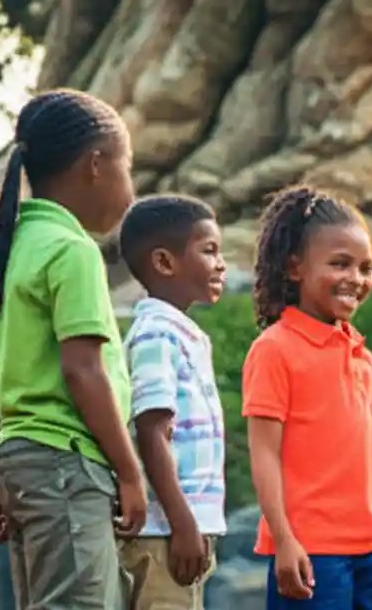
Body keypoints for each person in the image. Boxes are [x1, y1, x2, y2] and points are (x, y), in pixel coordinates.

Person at [0, 88, 147, 609]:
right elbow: (82, 371)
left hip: (28, 458)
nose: (129, 186)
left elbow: (28, 379)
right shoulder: (72, 251)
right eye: (126, 167)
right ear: (96, 165)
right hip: (69, 465)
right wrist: (130, 472)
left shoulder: (18, 244)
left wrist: (14, 474)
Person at [240, 185, 372, 610]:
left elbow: (371, 460)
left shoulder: (363, 356)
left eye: (366, 268)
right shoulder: (274, 348)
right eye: (340, 264)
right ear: (295, 268)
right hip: (312, 553)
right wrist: (284, 540)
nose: (357, 279)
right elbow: (265, 454)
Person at [117, 195, 229, 609]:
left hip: (185, 528)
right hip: (166, 531)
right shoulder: (155, 333)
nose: (221, 263)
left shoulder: (183, 333)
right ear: (165, 263)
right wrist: (182, 523)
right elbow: (151, 431)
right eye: (209, 250)